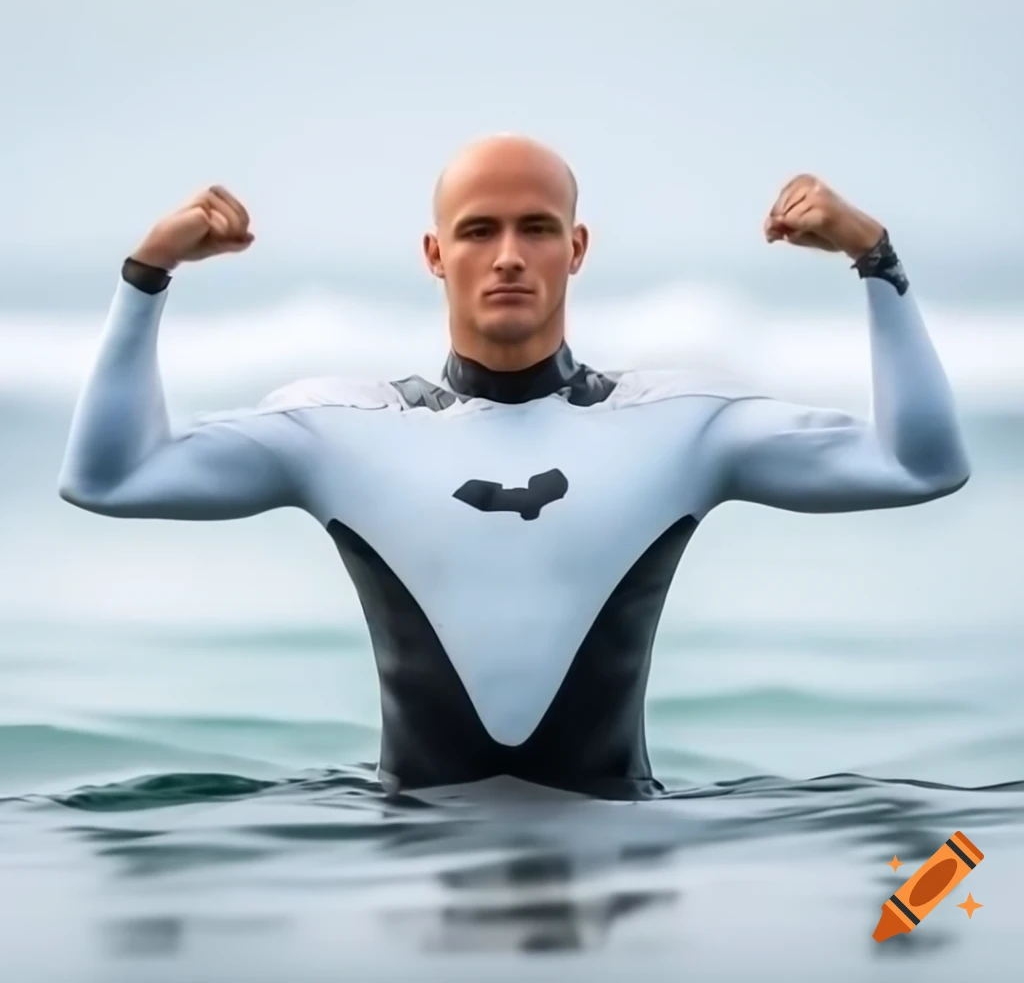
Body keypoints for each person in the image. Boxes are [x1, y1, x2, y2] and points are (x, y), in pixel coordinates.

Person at [58, 136, 970, 801]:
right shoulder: (341, 428)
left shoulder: (678, 426)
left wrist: (872, 257)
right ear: (434, 255)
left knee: (931, 886)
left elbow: (919, 465)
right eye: (477, 230)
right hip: (405, 854)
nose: (506, 256)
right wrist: (147, 276)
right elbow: (109, 479)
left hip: (623, 850)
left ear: (576, 250)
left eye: (537, 229)